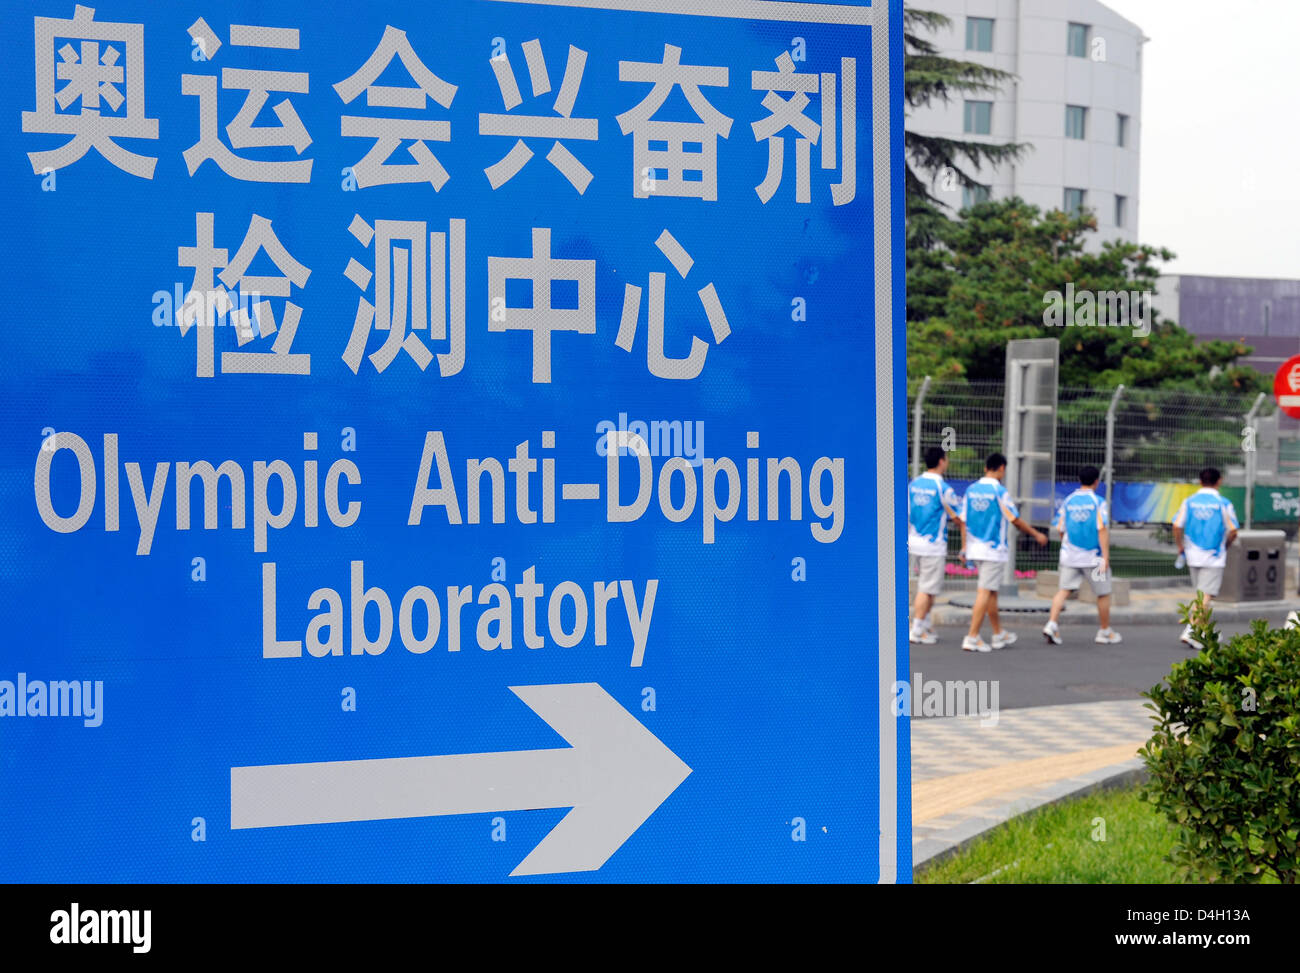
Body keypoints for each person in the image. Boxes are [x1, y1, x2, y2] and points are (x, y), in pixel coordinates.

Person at [960, 453, 1048, 652]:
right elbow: (1015, 519)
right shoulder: (999, 491)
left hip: (975, 549)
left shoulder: (971, 490)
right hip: (993, 550)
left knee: (991, 593)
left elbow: (962, 520)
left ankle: (998, 634)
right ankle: (972, 637)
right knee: (984, 592)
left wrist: (965, 547)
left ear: (985, 468)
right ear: (1001, 468)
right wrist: (1036, 534)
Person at [1042, 466, 1121, 646]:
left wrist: (1067, 544)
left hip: (1070, 556)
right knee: (1103, 593)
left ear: (1079, 479)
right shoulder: (1098, 502)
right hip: (1094, 559)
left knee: (1063, 590)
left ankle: (1052, 624)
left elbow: (1060, 528)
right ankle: (1104, 631)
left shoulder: (1069, 501)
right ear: (1096, 482)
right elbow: (1101, 530)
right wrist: (1106, 557)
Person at [1172, 467, 1239, 650]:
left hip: (1192, 555)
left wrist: (1180, 546)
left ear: (1200, 481)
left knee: (1202, 595)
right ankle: (1191, 630)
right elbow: (1233, 530)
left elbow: (1177, 525)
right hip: (1214, 556)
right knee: (1206, 595)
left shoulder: (1189, 502)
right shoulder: (1223, 503)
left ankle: (1204, 633)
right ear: (1219, 481)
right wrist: (1225, 545)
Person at [908, 446, 966, 644]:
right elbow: (959, 518)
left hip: (914, 541)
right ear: (941, 461)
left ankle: (924, 625)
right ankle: (916, 628)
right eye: (946, 458)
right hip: (933, 544)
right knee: (926, 588)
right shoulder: (943, 488)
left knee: (929, 588)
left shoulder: (914, 484)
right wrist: (965, 545)